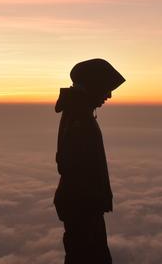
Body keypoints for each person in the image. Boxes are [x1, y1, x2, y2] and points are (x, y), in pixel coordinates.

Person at [54, 58, 125, 264]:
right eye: (106, 88)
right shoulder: (79, 117)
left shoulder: (79, 112)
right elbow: (70, 164)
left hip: (82, 205)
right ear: (93, 86)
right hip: (82, 207)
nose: (109, 95)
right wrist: (90, 202)